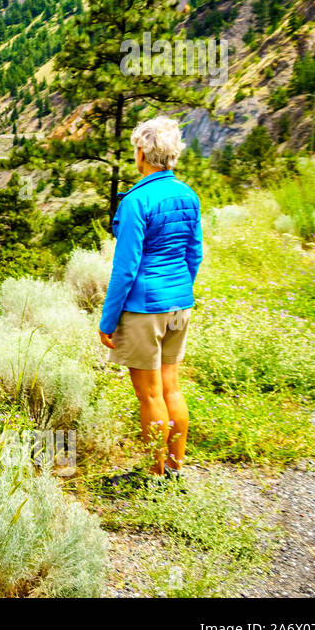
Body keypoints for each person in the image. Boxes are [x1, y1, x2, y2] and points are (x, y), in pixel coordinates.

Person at [98, 117, 203, 489]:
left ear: (141, 153)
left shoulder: (136, 201)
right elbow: (195, 254)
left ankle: (154, 477)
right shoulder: (188, 195)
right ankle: (175, 468)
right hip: (179, 304)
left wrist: (108, 321)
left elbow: (125, 269)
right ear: (172, 153)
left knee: (150, 395)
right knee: (172, 388)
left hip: (145, 309)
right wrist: (179, 292)